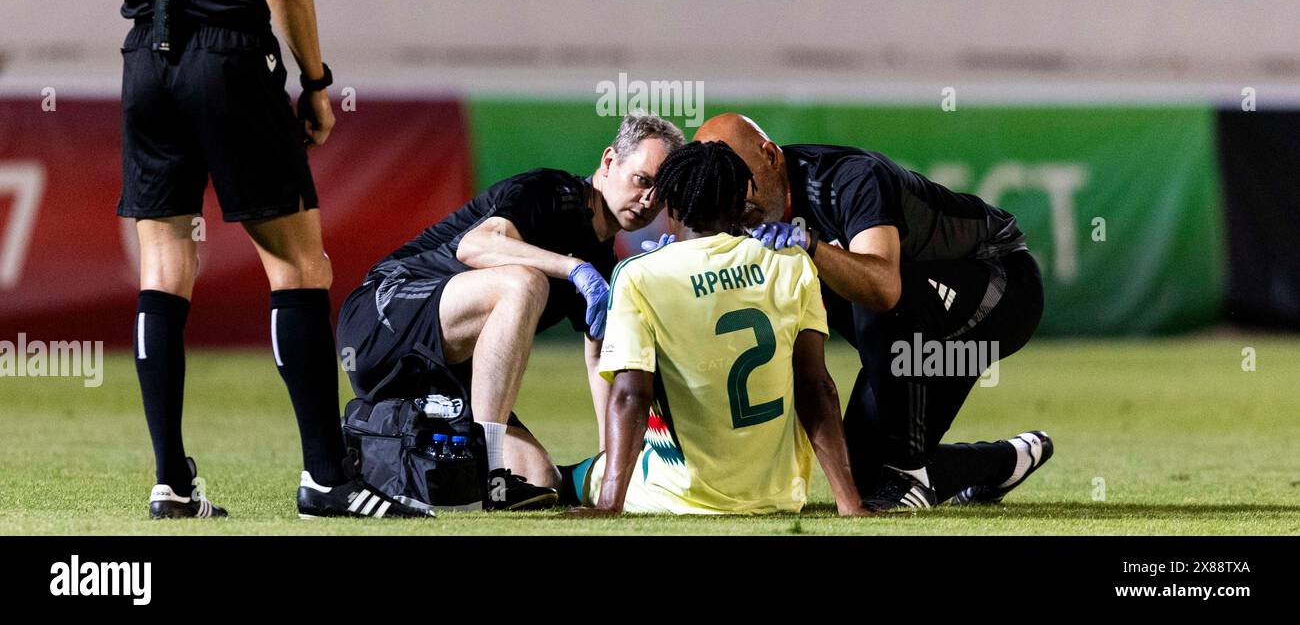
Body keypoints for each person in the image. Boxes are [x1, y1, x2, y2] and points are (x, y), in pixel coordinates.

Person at [95, 0, 423, 520]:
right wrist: (314, 79)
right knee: (299, 266)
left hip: (145, 61)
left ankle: (170, 480)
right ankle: (324, 477)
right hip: (229, 62)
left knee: (164, 267)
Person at [694, 114, 1052, 511]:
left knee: (876, 301)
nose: (738, 209)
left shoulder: (850, 179)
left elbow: (883, 287)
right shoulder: (742, 214)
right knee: (863, 478)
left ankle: (910, 472)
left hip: (1000, 288)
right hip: (919, 336)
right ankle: (1004, 462)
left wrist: (810, 243)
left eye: (740, 186)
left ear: (769, 155)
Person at [336, 113, 684, 510]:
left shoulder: (605, 262)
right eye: (642, 180)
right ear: (609, 162)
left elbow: (600, 356)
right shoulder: (550, 192)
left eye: (662, 191)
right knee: (524, 282)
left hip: (440, 372)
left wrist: (613, 461)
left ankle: (380, 436)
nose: (649, 200)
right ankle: (487, 468)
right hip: (382, 314)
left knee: (541, 480)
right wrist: (572, 267)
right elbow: (474, 246)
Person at [573, 140, 867, 516]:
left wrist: (609, 505)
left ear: (672, 207)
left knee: (571, 475)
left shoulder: (639, 275)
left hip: (676, 496)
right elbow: (816, 386)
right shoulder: (790, 262)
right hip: (779, 497)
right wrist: (850, 504)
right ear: (739, 205)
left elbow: (631, 396)